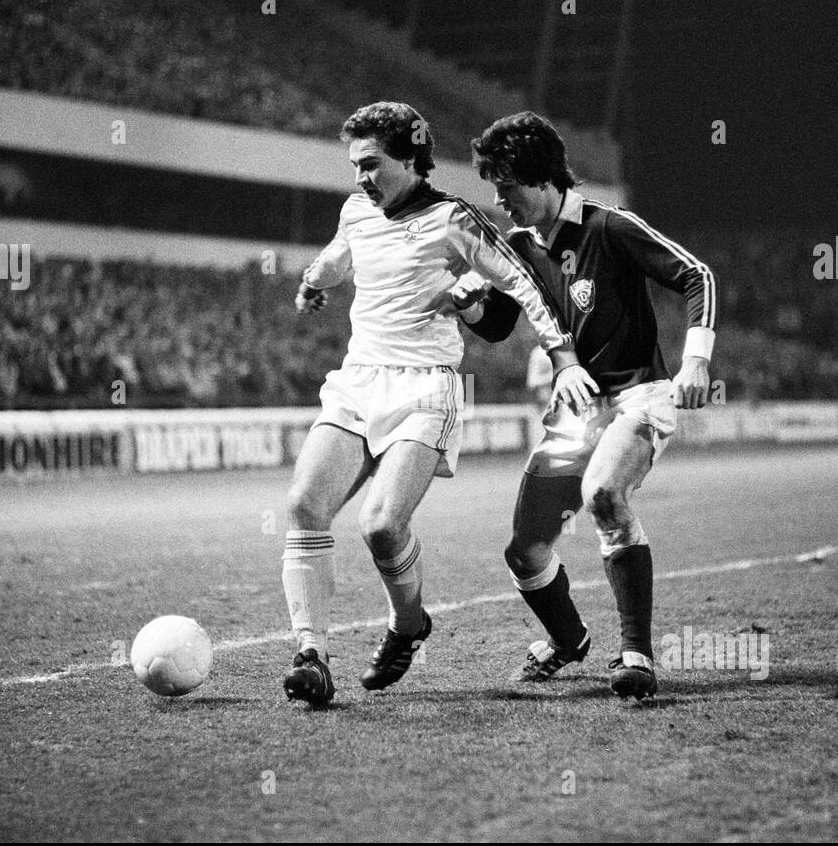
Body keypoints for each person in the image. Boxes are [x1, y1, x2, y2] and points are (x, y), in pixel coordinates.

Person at [281, 101, 590, 706]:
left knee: (381, 526)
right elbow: (341, 255)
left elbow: (524, 287)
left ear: (409, 159)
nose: (361, 178)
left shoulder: (456, 220)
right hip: (357, 379)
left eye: (371, 164)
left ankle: (408, 624)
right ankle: (311, 655)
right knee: (303, 505)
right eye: (355, 166)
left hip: (425, 386)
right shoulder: (356, 210)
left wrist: (563, 357)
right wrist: (313, 282)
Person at [468, 111, 718, 698]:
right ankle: (569, 639)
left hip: (638, 393)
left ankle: (636, 655)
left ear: (541, 180)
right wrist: (467, 304)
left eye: (505, 186)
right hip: (576, 408)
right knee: (526, 550)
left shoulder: (610, 226)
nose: (500, 200)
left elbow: (696, 274)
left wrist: (697, 359)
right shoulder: (522, 246)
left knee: (604, 494)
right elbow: (501, 324)